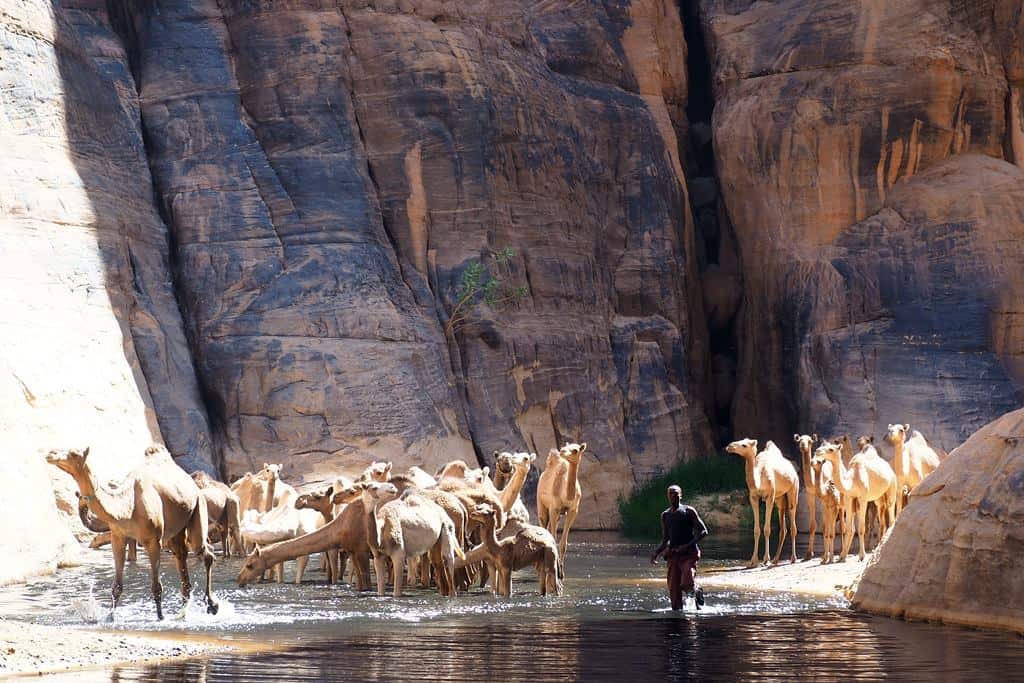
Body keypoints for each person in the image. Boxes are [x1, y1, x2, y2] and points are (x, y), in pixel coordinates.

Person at [650, 484, 708, 610]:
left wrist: (686, 546)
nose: (673, 496)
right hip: (673, 555)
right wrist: (656, 553)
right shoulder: (665, 515)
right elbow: (666, 539)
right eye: (670, 494)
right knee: (674, 591)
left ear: (680, 495)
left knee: (686, 582)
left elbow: (703, 531)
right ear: (667, 496)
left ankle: (697, 591)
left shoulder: (689, 511)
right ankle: (677, 622)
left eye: (675, 494)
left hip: (689, 554)